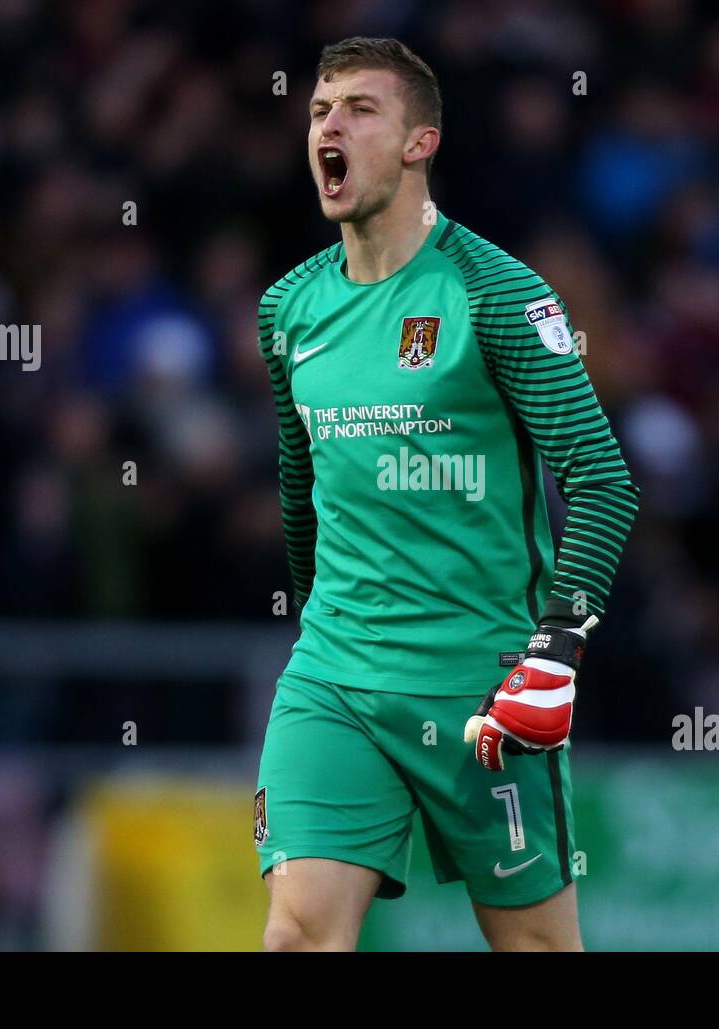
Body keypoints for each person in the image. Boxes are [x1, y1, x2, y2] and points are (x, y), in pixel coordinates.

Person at [254, 37, 640, 951]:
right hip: (336, 679)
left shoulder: (498, 293)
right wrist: (321, 623)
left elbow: (602, 481)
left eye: (359, 109)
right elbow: (298, 486)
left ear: (420, 141)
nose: (329, 127)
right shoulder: (288, 309)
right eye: (318, 111)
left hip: (481, 690)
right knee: (296, 936)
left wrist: (555, 651)